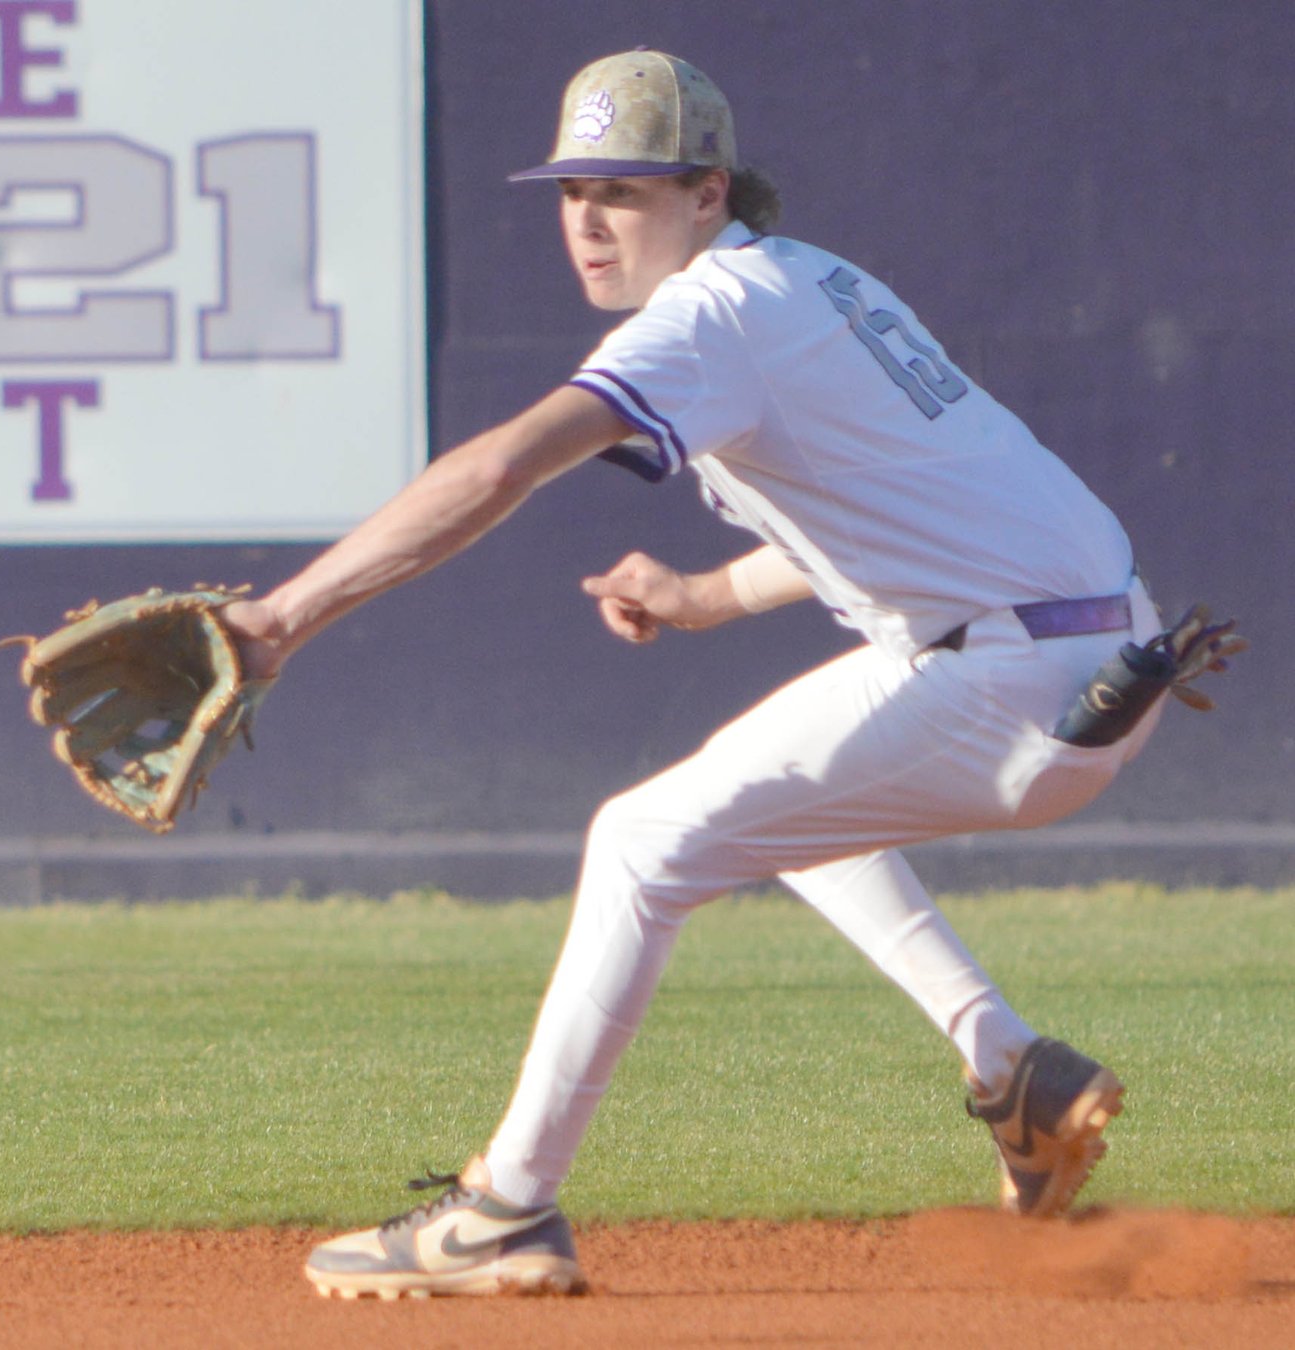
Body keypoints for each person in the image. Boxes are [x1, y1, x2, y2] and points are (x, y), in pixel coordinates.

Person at [217, 49, 1187, 1300]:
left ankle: (506, 1211)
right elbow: (906, 511)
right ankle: (1014, 1073)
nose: (588, 219)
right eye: (572, 191)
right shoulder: (811, 285)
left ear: (707, 192)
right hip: (1090, 648)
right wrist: (700, 596)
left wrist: (282, 617)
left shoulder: (707, 317)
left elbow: (503, 468)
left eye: (622, 189)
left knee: (640, 841)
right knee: (769, 802)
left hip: (1018, 684)